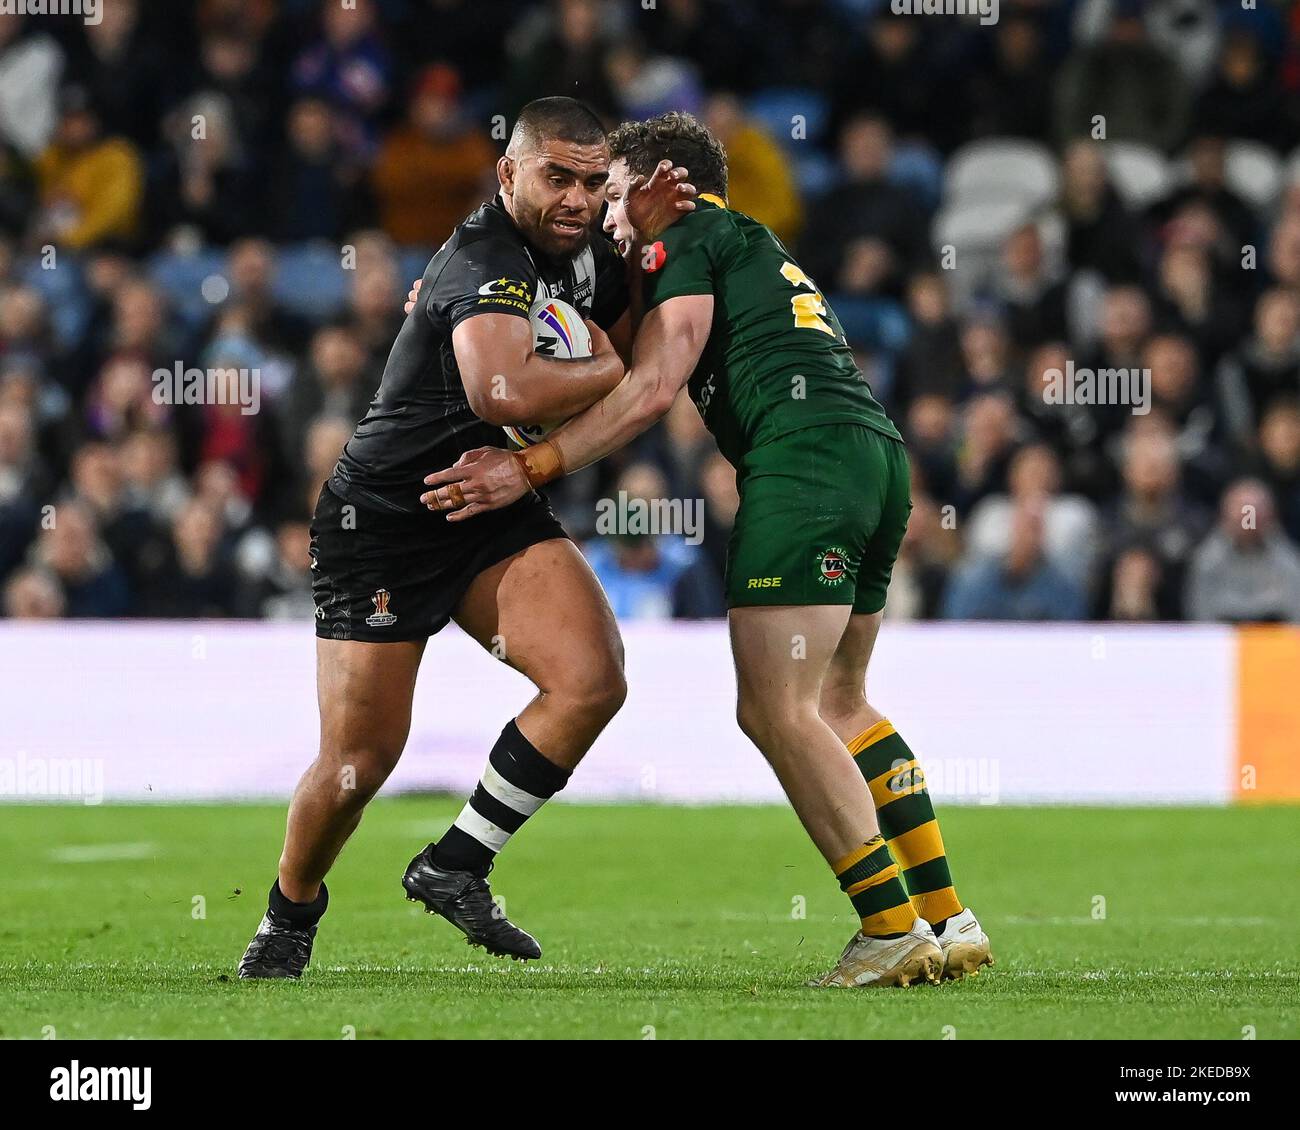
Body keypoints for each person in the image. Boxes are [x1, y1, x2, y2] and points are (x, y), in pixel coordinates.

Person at [421, 112, 993, 989]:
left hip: (800, 470)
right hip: (873, 460)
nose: (607, 217)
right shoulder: (752, 240)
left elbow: (655, 384)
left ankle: (889, 928)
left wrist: (529, 463)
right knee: (841, 701)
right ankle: (948, 918)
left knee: (775, 710)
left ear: (664, 186)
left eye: (613, 195)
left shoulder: (685, 236)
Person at [237, 97, 693, 979]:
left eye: (593, 183)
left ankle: (456, 863)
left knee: (591, 679)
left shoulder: (590, 253)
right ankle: (290, 913)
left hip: (493, 505)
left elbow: (630, 336)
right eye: (556, 176)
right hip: (388, 523)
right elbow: (502, 393)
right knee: (357, 766)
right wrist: (609, 366)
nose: (575, 198)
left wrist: (647, 247)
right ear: (508, 174)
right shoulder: (484, 256)